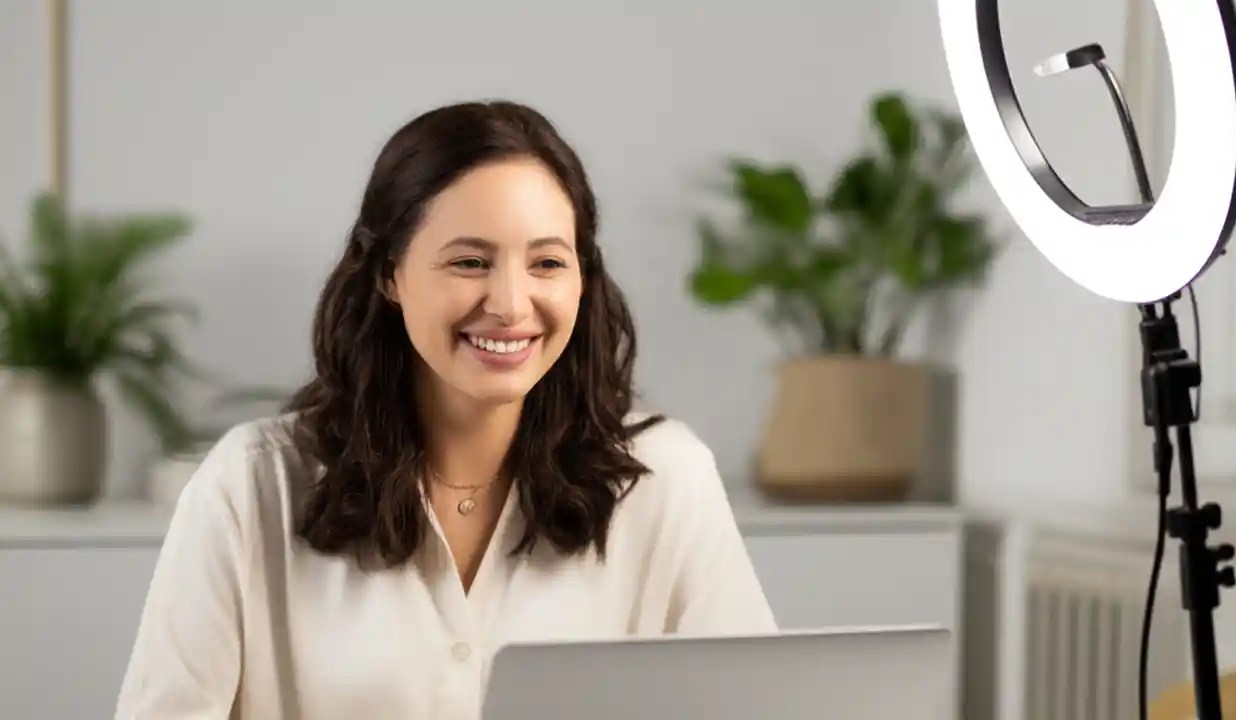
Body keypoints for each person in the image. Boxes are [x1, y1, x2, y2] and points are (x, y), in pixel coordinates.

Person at [114, 100, 776, 720]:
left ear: (583, 277)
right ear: (389, 273)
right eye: (470, 262)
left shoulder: (664, 478)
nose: (511, 305)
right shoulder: (253, 486)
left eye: (547, 262)